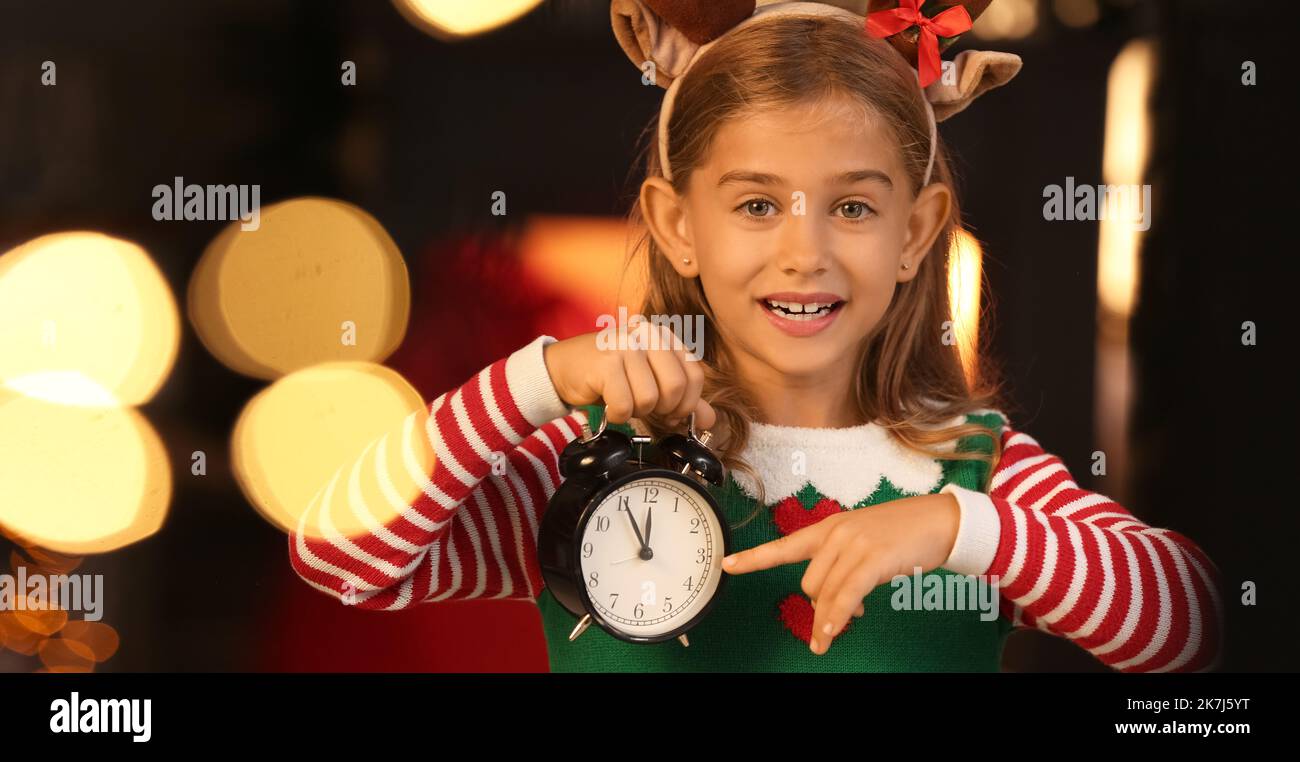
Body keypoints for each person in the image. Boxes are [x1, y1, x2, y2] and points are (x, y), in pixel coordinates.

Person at [288, 0, 1223, 672]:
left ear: (917, 231)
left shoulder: (974, 469)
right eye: (757, 205)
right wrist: (537, 380)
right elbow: (339, 554)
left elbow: (1189, 621)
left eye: (853, 205)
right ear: (677, 223)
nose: (803, 252)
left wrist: (959, 530)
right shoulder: (589, 471)